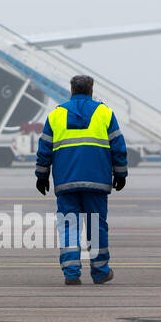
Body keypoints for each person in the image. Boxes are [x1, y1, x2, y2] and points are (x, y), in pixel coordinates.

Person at [34, 75, 128, 285]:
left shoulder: (56, 115)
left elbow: (44, 150)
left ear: (71, 90)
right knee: (96, 227)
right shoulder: (105, 113)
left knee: (69, 226)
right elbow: (118, 147)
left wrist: (42, 176)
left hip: (66, 182)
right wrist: (120, 174)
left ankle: (71, 273)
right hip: (97, 181)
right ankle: (100, 271)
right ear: (91, 91)